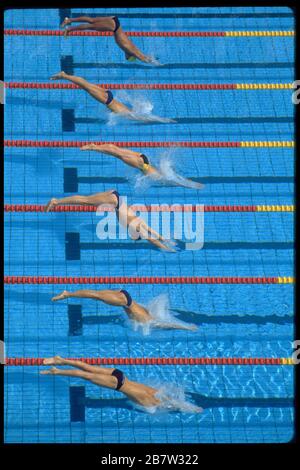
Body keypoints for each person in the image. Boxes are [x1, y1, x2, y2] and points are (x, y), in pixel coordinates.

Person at [41, 356, 203, 413]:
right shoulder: (149, 404)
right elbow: (172, 406)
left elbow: (175, 402)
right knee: (85, 375)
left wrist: (191, 407)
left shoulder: (156, 393)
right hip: (117, 384)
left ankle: (61, 359)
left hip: (119, 374)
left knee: (87, 367)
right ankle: (57, 370)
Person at [45, 189, 178, 252]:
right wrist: (168, 250)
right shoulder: (134, 226)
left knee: (86, 199)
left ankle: (57, 202)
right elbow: (151, 238)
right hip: (114, 201)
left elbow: (152, 232)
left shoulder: (138, 221)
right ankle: (56, 201)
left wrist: (165, 239)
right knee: (84, 200)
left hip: (115, 195)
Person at [50, 72, 173, 122]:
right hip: (107, 99)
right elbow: (148, 118)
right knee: (85, 86)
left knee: (86, 84)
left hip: (109, 96)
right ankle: (64, 75)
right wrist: (164, 120)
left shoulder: (131, 112)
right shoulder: (132, 115)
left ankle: (65, 76)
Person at [51, 289, 198, 331]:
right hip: (124, 301)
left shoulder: (149, 314)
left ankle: (68, 294)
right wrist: (186, 327)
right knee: (95, 296)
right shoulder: (151, 322)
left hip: (125, 296)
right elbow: (169, 325)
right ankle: (67, 294)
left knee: (96, 295)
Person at [80, 143, 204, 189]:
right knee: (118, 154)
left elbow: (180, 179)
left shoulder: (166, 174)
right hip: (142, 165)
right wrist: (193, 185)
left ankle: (95, 146)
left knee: (117, 151)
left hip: (143, 158)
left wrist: (192, 183)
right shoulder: (168, 179)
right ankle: (94, 147)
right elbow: (180, 181)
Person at [61, 15, 159, 64]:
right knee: (90, 26)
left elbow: (145, 55)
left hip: (114, 20)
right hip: (114, 26)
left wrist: (151, 58)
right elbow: (143, 58)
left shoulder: (132, 48)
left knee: (91, 20)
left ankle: (69, 20)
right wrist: (157, 64)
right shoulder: (131, 50)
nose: (125, 56)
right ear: (129, 56)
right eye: (127, 57)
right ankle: (69, 29)